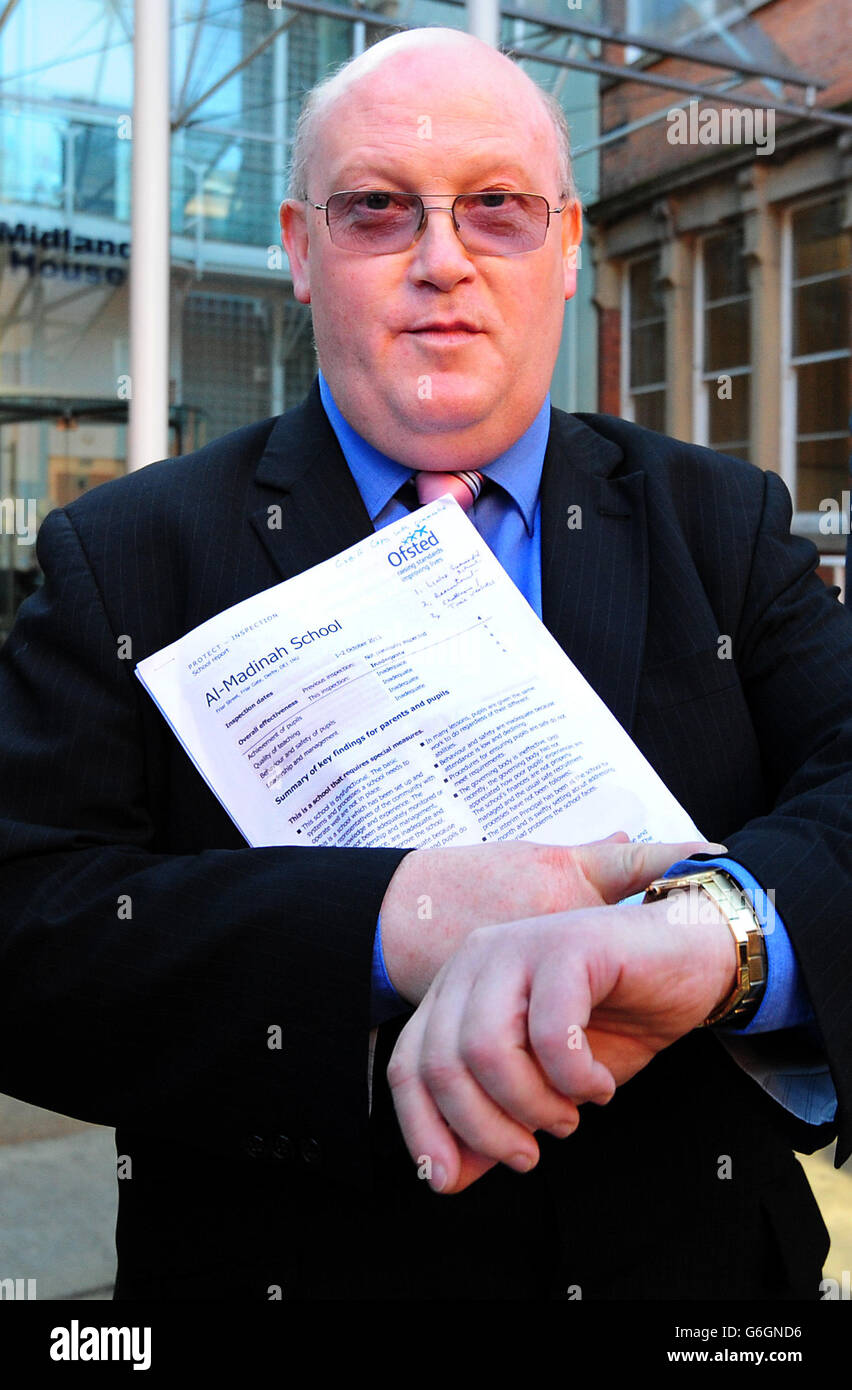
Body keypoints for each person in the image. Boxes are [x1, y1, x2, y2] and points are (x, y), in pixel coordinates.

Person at [0, 26, 850, 1301]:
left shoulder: (722, 523)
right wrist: (392, 922)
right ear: (299, 248)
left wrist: (718, 940)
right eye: (378, 209)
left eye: (498, 208)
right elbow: (27, 924)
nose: (442, 259)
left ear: (567, 249)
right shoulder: (126, 557)